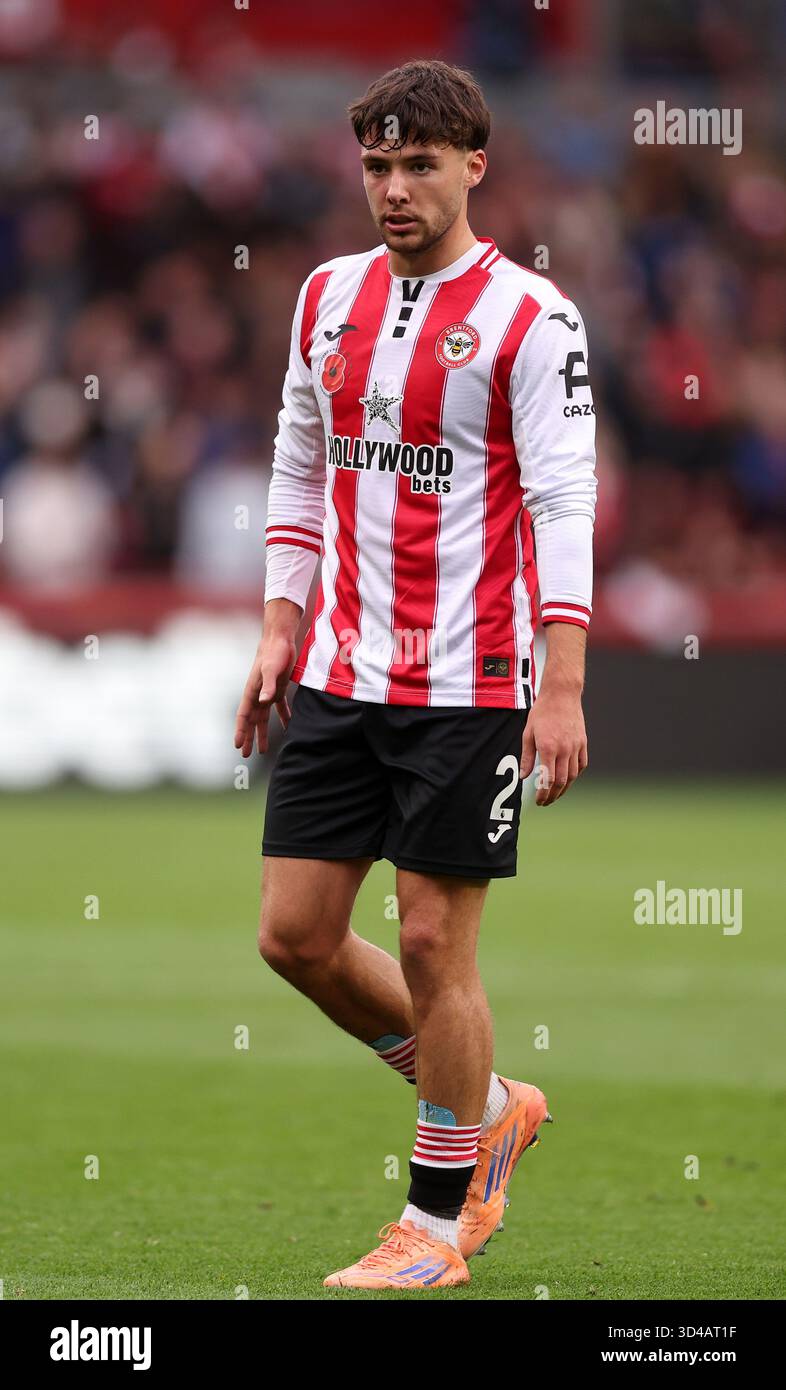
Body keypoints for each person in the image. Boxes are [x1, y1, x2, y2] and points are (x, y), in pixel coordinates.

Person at [235, 58, 597, 1290]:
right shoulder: (325, 296)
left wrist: (563, 681)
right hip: (340, 665)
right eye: (378, 166)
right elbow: (298, 461)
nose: (393, 189)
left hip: (471, 678)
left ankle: (436, 1223)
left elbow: (562, 499)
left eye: (419, 165)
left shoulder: (531, 319)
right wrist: (280, 626)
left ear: (473, 167)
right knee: (295, 938)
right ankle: (487, 1103)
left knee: (436, 940)